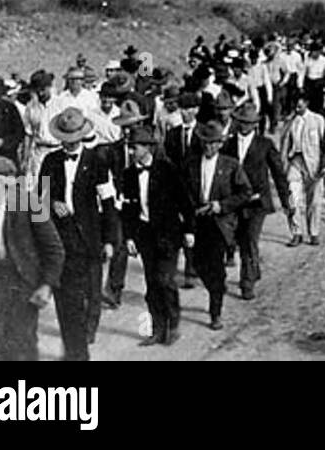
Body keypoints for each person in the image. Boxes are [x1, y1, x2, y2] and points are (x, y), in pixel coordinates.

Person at [0, 155, 65, 361]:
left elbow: (55, 250)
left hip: (24, 284)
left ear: (2, 182)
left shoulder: (31, 204)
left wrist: (47, 285)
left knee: (23, 346)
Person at [39, 108, 119, 361]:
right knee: (66, 295)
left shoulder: (97, 160)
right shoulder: (50, 161)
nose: (69, 142)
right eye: (65, 137)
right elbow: (40, 197)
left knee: (92, 290)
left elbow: (107, 202)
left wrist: (109, 240)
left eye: (73, 137)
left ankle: (87, 333)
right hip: (62, 237)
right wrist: (53, 203)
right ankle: (74, 345)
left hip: (90, 236)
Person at [121, 126, 192, 347]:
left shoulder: (167, 169)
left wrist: (190, 230)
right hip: (145, 235)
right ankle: (157, 328)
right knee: (152, 284)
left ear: (148, 147)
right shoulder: (129, 174)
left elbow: (185, 201)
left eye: (136, 147)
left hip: (169, 234)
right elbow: (128, 210)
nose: (132, 151)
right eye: (130, 147)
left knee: (164, 279)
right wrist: (129, 237)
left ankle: (174, 324)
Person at [183, 122, 251, 330]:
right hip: (197, 222)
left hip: (219, 223)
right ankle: (214, 287)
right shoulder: (191, 164)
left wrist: (221, 205)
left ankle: (215, 311)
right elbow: (184, 193)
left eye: (213, 143)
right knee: (199, 264)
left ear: (220, 144)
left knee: (216, 267)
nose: (208, 147)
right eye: (205, 143)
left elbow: (245, 192)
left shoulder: (230, 165)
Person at [222, 103, 292, 300]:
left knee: (249, 240)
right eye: (241, 122)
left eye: (249, 123)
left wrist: (286, 199)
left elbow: (278, 173)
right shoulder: (228, 144)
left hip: (257, 202)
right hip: (235, 202)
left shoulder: (265, 144)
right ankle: (253, 269)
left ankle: (247, 283)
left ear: (255, 124)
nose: (244, 126)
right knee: (233, 240)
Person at [279, 95, 325, 247]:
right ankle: (296, 232)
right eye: (295, 106)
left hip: (314, 165)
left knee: (314, 201)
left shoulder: (318, 120)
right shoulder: (290, 122)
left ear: (307, 103)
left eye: (299, 106)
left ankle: (314, 232)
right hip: (294, 162)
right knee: (292, 198)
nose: (296, 109)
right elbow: (283, 145)